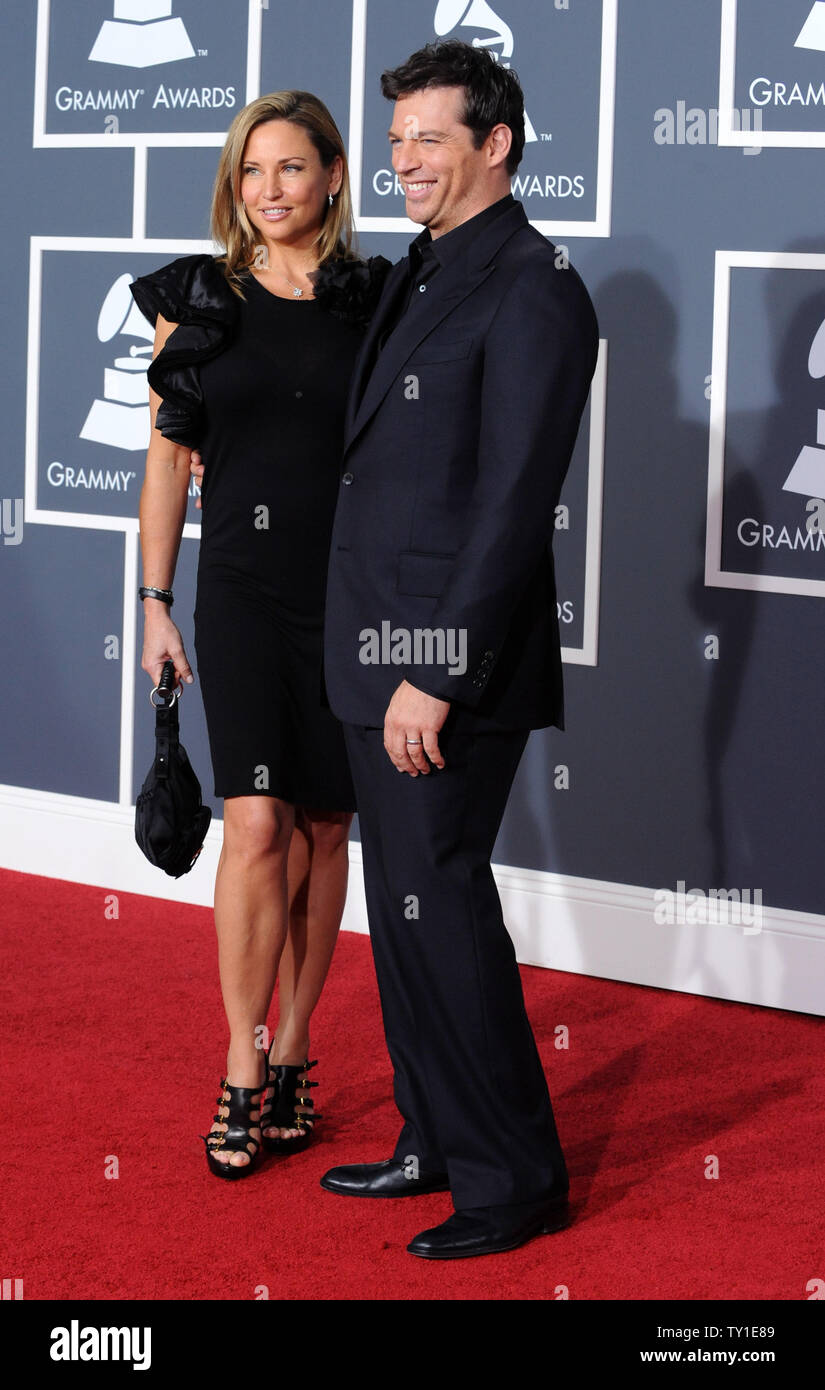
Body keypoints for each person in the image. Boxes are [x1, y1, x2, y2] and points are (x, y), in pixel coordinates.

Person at [317, 41, 600, 1257]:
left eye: (429, 136)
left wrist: (432, 668)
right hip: (366, 650)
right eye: (395, 140)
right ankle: (432, 1134)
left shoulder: (535, 286)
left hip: (441, 666)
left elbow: (511, 500)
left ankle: (514, 1177)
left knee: (445, 910)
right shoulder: (419, 273)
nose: (405, 160)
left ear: (496, 142)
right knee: (406, 908)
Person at [130, 90, 389, 1180]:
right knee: (256, 825)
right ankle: (240, 1057)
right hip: (240, 590)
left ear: (333, 176)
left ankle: (296, 1044)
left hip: (347, 592)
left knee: (327, 827)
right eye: (251, 171)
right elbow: (165, 461)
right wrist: (155, 598)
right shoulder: (199, 300)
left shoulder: (372, 299)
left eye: (291, 168)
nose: (270, 190)